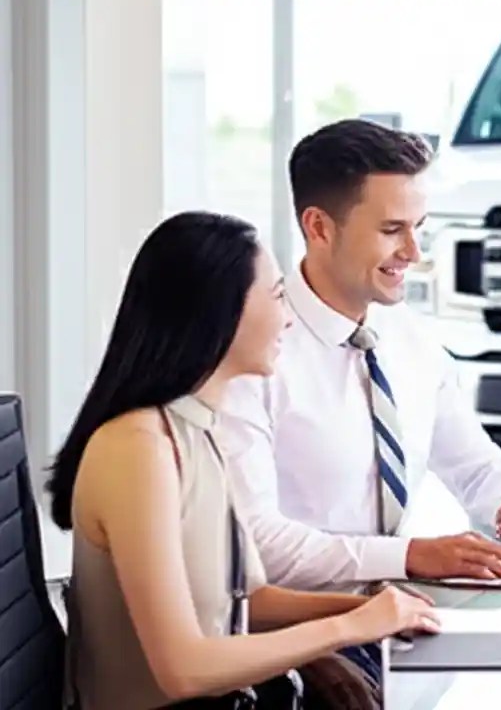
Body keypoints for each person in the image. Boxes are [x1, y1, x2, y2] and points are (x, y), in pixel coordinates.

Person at [48, 212, 439, 708]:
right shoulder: (139, 448)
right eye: (277, 297)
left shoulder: (200, 429)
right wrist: (351, 626)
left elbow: (247, 600)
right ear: (221, 313)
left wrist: (381, 608)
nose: (289, 317)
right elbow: (184, 671)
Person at [220, 118, 501, 589]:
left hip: (396, 616)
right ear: (319, 227)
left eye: (419, 227)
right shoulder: (250, 356)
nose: (414, 252)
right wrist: (409, 556)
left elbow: (476, 465)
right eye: (392, 229)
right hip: (294, 632)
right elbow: (253, 544)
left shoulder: (413, 342)